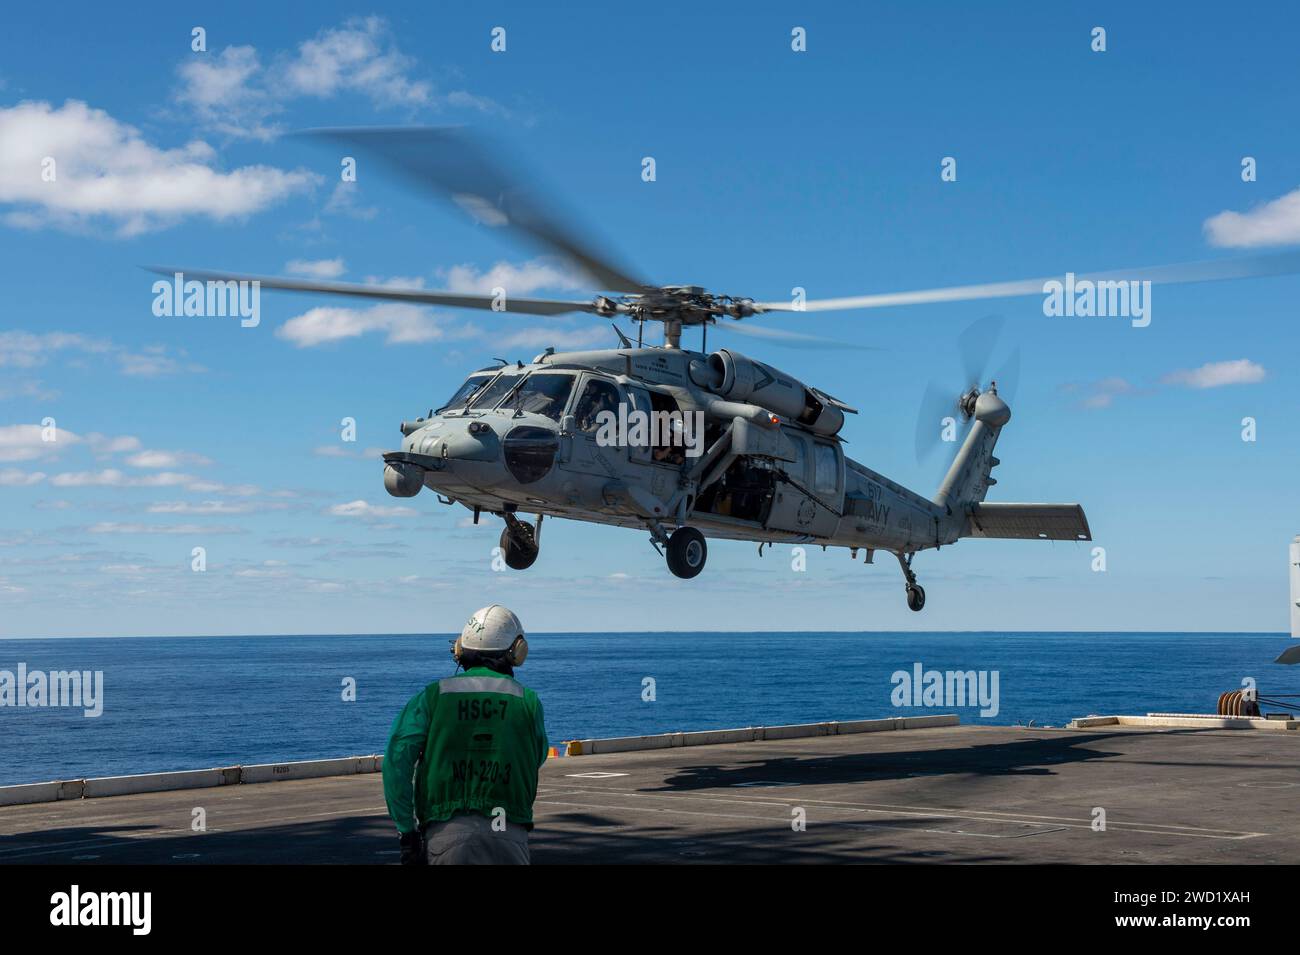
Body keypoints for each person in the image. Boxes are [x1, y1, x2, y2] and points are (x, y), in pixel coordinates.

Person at [382, 605, 549, 864]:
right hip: (509, 832)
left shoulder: (433, 696)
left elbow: (397, 761)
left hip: (446, 834)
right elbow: (536, 756)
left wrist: (407, 832)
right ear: (517, 651)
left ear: (460, 649)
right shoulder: (528, 701)